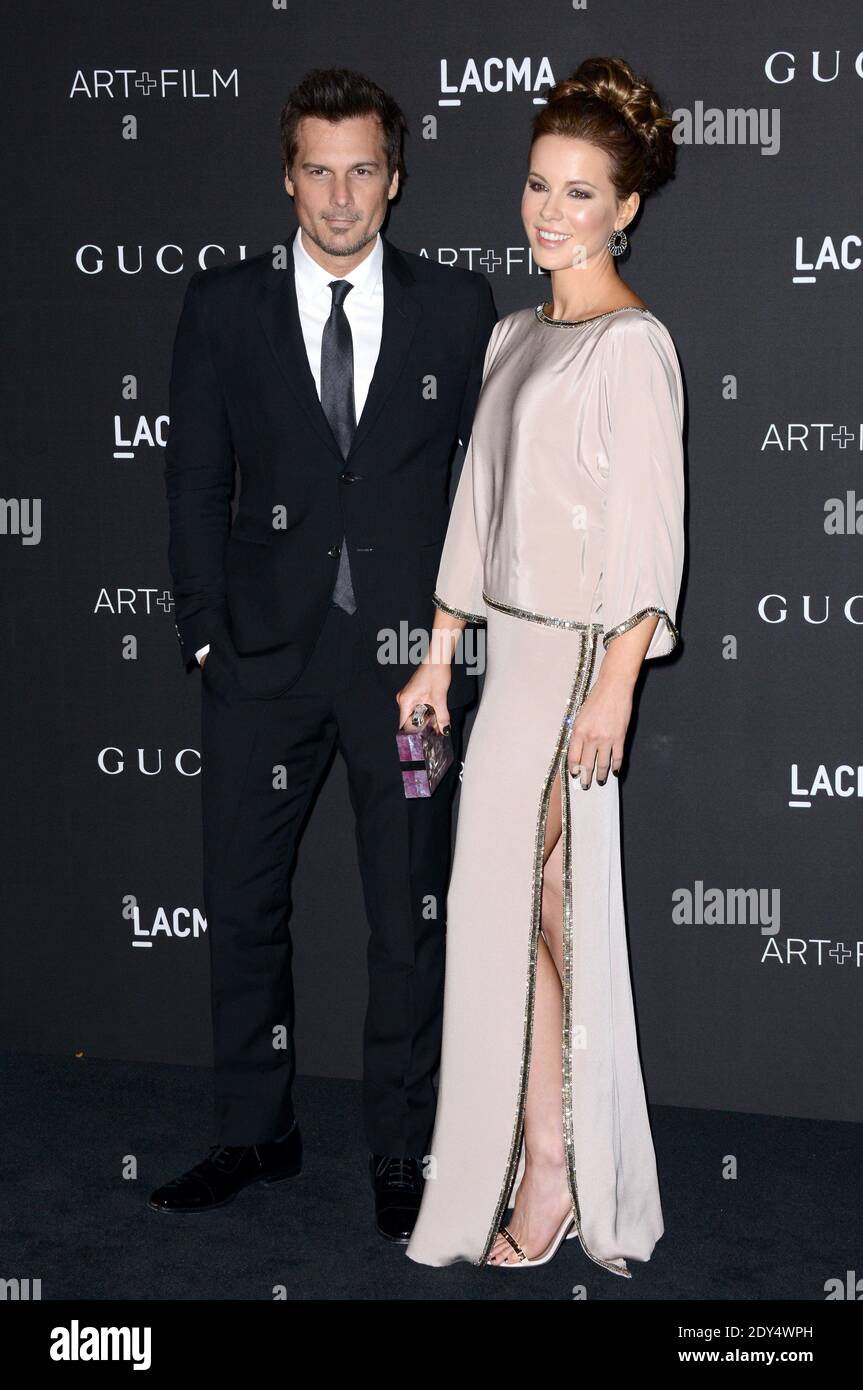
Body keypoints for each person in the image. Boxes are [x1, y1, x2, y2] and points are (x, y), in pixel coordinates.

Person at [152, 67, 496, 1240]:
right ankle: (257, 1128)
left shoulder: (460, 306)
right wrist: (205, 637)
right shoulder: (223, 305)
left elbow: (477, 492)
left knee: (407, 912)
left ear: (394, 180)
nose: (339, 196)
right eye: (317, 168)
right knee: (243, 905)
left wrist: (453, 651)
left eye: (361, 170)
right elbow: (194, 477)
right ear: (286, 175)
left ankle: (401, 1146)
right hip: (258, 667)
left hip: (411, 682)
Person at [398, 56, 685, 1273]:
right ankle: (551, 1157)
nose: (549, 211)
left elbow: (649, 532)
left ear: (625, 206)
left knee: (521, 910)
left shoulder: (631, 345)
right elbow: (478, 503)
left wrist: (616, 682)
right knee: (531, 914)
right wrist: (436, 652)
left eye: (579, 192)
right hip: (504, 656)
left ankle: (553, 1170)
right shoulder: (515, 333)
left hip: (571, 665)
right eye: (536, 186)